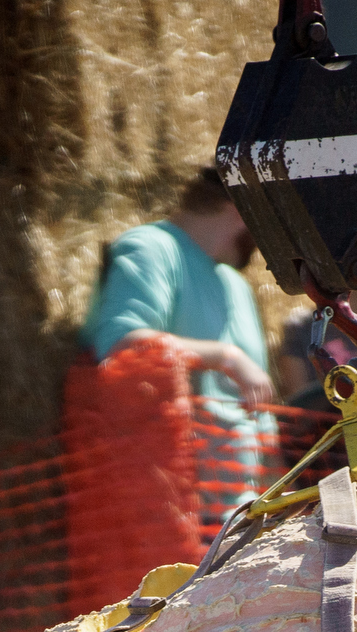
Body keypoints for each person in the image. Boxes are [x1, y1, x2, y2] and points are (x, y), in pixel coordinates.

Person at [83, 166, 275, 515]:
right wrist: (225, 356)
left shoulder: (238, 286)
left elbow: (260, 413)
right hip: (170, 510)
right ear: (242, 208)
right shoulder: (150, 248)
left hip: (242, 515)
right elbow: (119, 344)